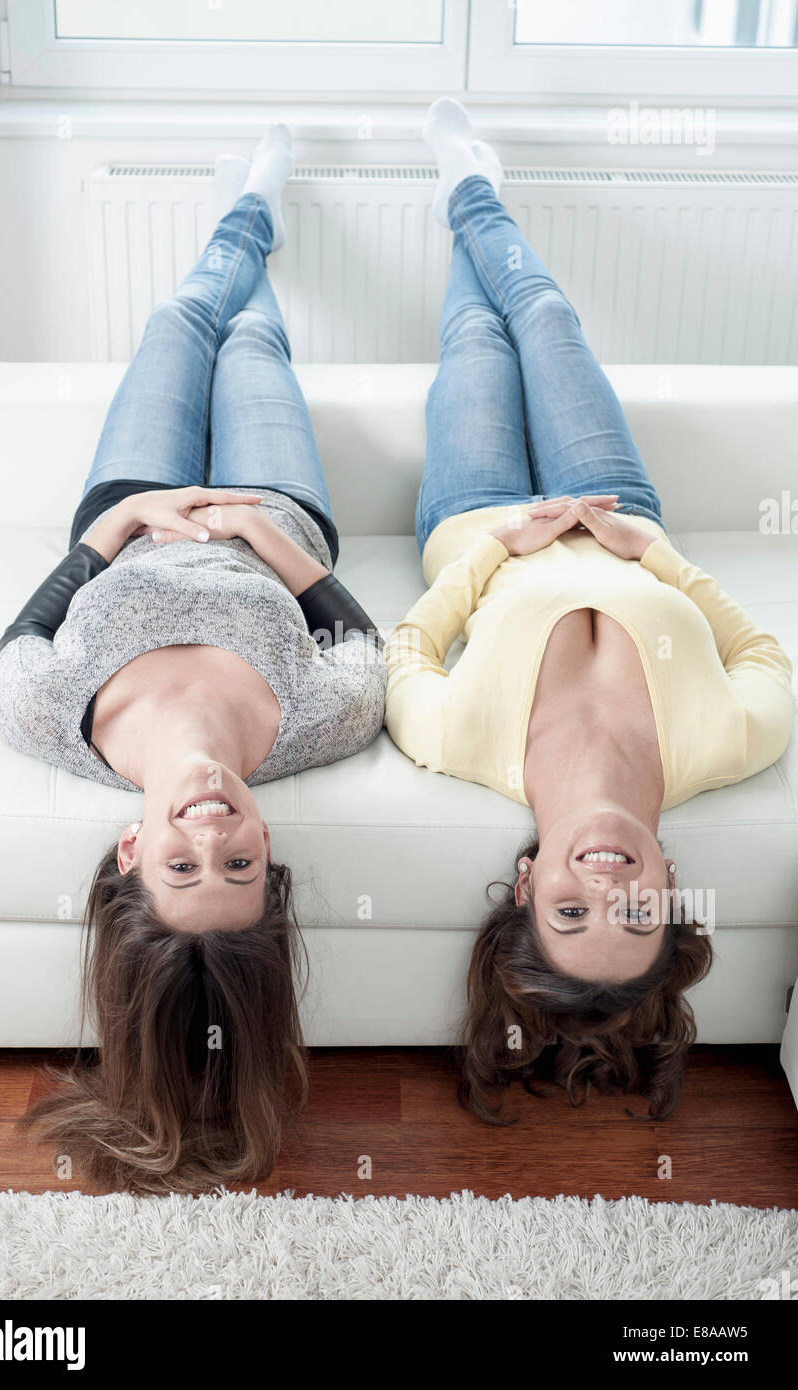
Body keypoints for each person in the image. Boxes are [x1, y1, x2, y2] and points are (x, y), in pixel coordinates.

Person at [385, 100, 793, 1122]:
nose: (605, 884)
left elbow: (408, 647)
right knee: (548, 318)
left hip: (482, 511)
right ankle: (472, 186)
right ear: (671, 889)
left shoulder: (464, 745)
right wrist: (652, 553)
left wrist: (496, 548)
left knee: (476, 334)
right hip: (618, 503)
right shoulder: (733, 742)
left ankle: (459, 189)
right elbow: (758, 647)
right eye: (636, 909)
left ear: (523, 887)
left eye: (573, 911)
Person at [0, 127, 386, 1191]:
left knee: (179, 319)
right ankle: (252, 201)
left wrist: (124, 523)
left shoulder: (54, 725)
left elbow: (24, 635)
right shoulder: (316, 725)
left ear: (128, 854)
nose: (212, 832)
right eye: (240, 865)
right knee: (254, 342)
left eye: (182, 866)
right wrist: (264, 540)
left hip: (132, 503)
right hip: (274, 510)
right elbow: (360, 639)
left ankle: (245, 198)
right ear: (269, 850)